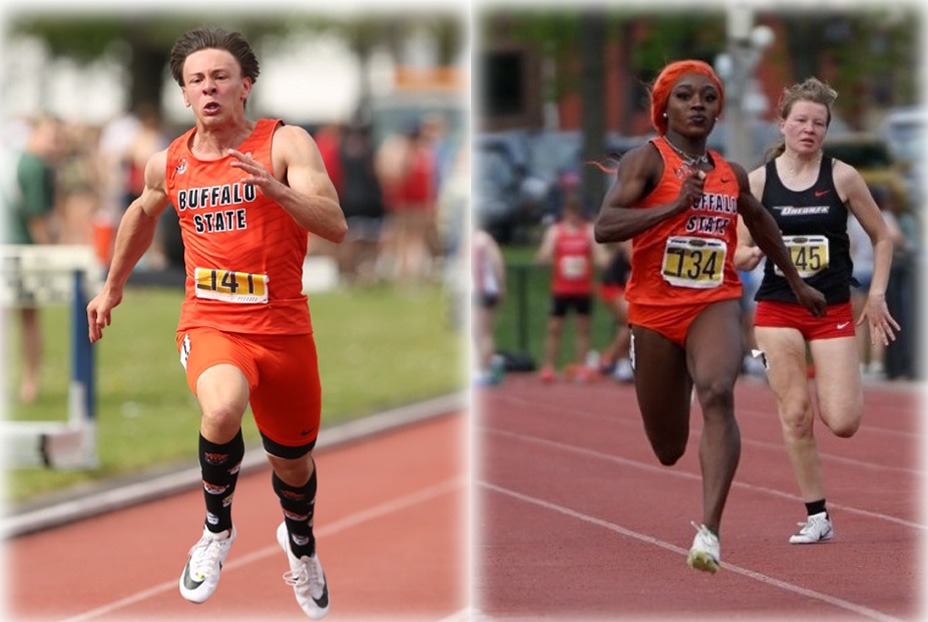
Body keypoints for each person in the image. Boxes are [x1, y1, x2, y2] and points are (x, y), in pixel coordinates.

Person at [85, 27, 347, 619]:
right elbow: (141, 212)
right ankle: (215, 532)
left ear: (244, 86)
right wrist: (112, 285)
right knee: (222, 407)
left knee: (293, 463)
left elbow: (334, 224)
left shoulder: (285, 142)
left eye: (220, 77)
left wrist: (276, 190)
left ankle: (301, 548)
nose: (209, 88)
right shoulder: (170, 160)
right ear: (184, 93)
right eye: (196, 80)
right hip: (210, 324)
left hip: (283, 329)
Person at [593, 60, 826, 574]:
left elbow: (759, 219)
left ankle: (711, 532)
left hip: (712, 300)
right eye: (684, 96)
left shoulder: (728, 173)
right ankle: (681, 454)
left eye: (707, 97)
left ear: (719, 109)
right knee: (669, 447)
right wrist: (673, 208)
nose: (697, 104)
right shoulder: (645, 162)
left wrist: (795, 280)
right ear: (664, 109)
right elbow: (605, 227)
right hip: (654, 311)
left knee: (719, 392)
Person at [735, 77, 898, 545]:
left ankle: (820, 501)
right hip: (777, 308)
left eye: (819, 123)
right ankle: (817, 515)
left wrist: (879, 293)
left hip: (830, 308)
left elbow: (882, 237)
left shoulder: (842, 176)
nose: (809, 129)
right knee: (796, 414)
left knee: (843, 421)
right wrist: (746, 255)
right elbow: (742, 246)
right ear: (783, 123)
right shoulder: (759, 181)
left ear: (826, 130)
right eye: (801, 121)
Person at [5, 114, 64, 403]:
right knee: (29, 318)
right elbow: (37, 218)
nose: (57, 143)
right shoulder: (35, 167)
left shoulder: (14, 159)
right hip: (20, 252)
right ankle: (30, 383)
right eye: (52, 136)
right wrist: (51, 255)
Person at [536, 192, 609, 383]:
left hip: (582, 289)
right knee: (554, 328)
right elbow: (544, 254)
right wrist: (543, 256)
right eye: (570, 213)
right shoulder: (556, 231)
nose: (573, 217)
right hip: (561, 289)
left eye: (577, 213)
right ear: (565, 213)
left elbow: (601, 256)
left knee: (583, 329)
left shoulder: (588, 231)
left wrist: (605, 260)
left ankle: (582, 367)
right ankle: (548, 366)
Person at [472, 224, 506, 386]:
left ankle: (483, 368)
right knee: (483, 332)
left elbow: (496, 262)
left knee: (482, 333)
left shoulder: (482, 240)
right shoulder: (483, 240)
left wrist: (500, 285)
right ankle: (485, 365)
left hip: (482, 290)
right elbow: (497, 262)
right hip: (483, 290)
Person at [596, 241, 633, 383]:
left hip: (628, 288)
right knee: (633, 321)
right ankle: (608, 360)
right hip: (614, 286)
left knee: (626, 327)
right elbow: (629, 252)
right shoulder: (631, 238)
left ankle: (619, 361)